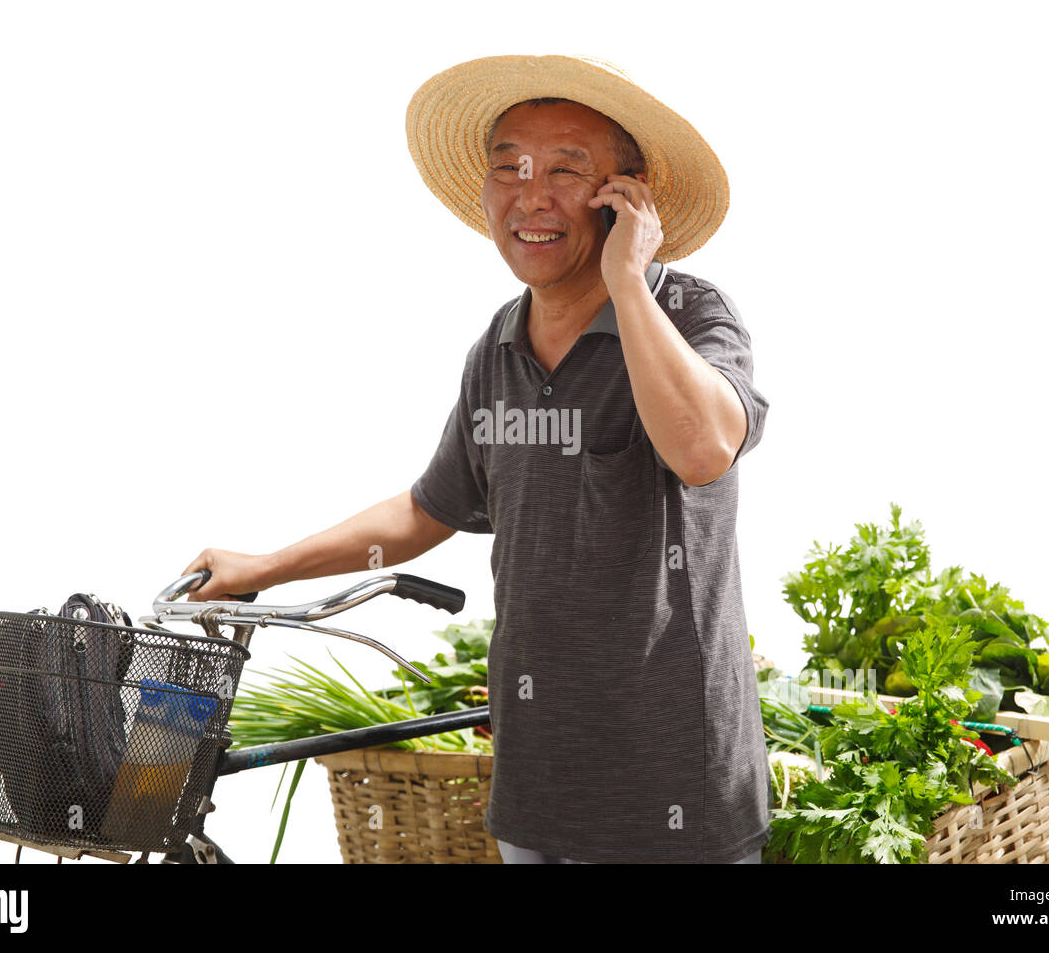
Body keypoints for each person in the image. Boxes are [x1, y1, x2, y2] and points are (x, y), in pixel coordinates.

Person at [183, 55, 771, 864]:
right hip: (535, 788)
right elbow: (429, 510)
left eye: (568, 171)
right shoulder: (497, 347)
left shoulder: (690, 313)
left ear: (627, 197)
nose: (532, 195)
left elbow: (703, 450)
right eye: (510, 170)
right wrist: (266, 566)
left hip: (669, 790)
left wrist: (627, 282)